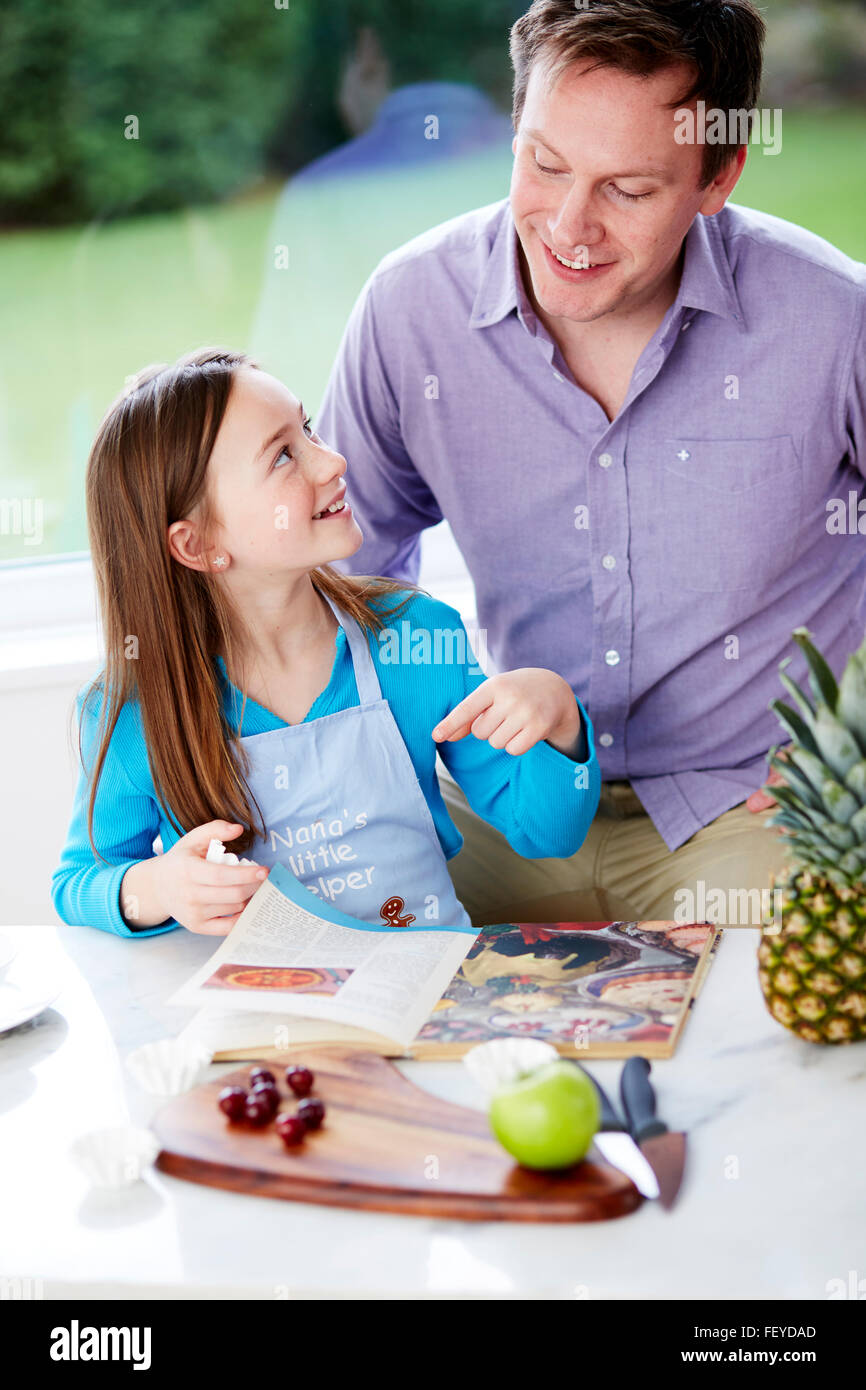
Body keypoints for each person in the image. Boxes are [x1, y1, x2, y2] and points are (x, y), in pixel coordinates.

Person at [316, 0, 866, 926]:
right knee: (336, 972)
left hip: (750, 810)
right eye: (544, 162)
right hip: (507, 804)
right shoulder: (412, 310)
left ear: (717, 175)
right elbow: (338, 574)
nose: (569, 227)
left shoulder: (831, 318)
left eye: (630, 189)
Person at [50, 348, 600, 939]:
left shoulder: (415, 637)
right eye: (284, 455)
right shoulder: (134, 709)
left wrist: (560, 719)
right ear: (198, 545)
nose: (332, 460)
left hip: (432, 992)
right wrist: (157, 887)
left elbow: (547, 833)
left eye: (307, 429)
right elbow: (79, 882)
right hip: (268, 1011)